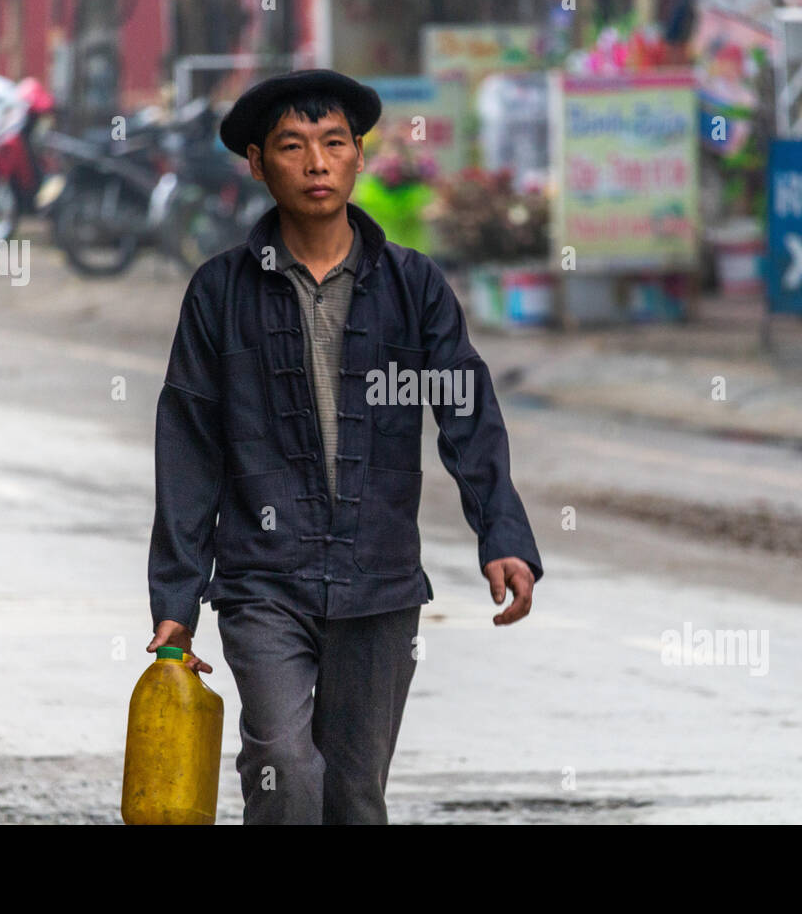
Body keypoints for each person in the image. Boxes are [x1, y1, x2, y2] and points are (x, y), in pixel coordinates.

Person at [145, 69, 543, 824]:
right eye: (293, 147)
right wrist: (175, 603)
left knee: (356, 799)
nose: (317, 163)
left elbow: (467, 414)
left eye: (333, 144)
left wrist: (503, 534)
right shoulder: (220, 293)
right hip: (263, 582)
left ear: (360, 156)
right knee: (284, 764)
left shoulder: (413, 287)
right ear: (259, 164)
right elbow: (188, 449)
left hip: (380, 582)